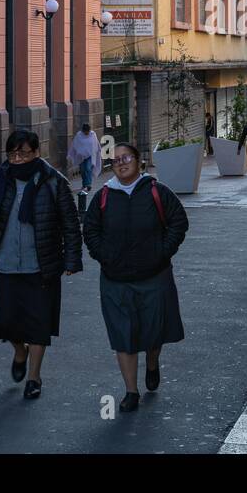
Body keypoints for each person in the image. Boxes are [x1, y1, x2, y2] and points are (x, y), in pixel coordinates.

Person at [0, 129, 81, 400]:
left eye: (23, 153)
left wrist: (72, 259)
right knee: (7, 321)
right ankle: (19, 351)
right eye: (12, 153)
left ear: (36, 153)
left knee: (39, 323)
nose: (17, 159)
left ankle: (34, 376)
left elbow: (70, 223)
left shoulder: (53, 181)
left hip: (41, 264)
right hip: (6, 263)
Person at [82, 143, 189, 413]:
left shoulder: (156, 191)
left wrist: (162, 252)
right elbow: (90, 229)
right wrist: (103, 255)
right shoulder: (104, 196)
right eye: (115, 160)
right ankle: (131, 391)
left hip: (154, 275)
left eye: (126, 157)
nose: (121, 163)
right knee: (123, 335)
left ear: (139, 161)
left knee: (154, 333)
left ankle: (152, 363)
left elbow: (179, 222)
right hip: (115, 279)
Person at [67, 123, 102, 192]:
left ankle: (88, 185)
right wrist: (71, 154)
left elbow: (95, 144)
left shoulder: (93, 135)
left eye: (88, 131)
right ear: (83, 131)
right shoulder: (79, 135)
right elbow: (75, 145)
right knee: (83, 170)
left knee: (88, 168)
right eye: (85, 131)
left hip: (90, 156)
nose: (87, 133)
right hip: (81, 156)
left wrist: (98, 150)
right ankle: (84, 184)